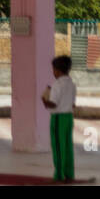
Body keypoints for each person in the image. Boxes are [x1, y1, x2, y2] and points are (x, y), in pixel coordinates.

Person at [42, 54, 76, 183]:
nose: (53, 72)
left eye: (53, 69)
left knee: (58, 146)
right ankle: (69, 173)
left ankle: (59, 175)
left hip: (58, 118)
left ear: (57, 70)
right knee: (67, 146)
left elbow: (53, 104)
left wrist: (44, 100)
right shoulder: (72, 84)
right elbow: (73, 104)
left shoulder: (57, 85)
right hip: (69, 117)